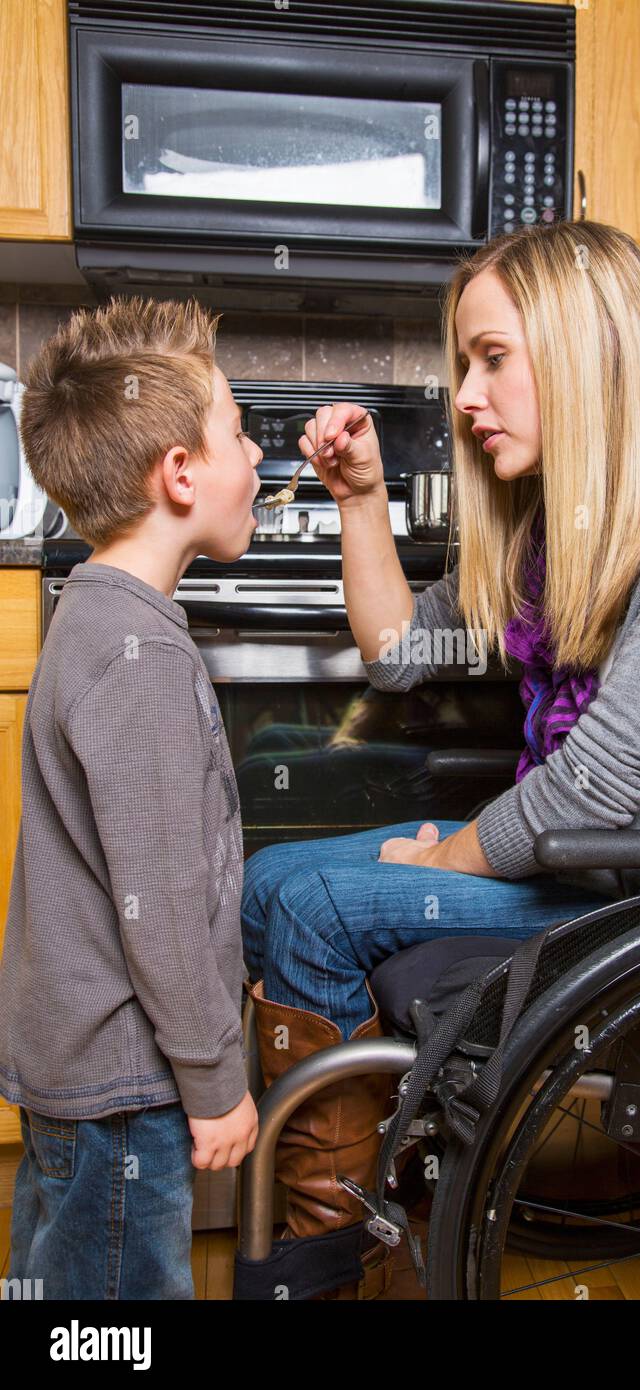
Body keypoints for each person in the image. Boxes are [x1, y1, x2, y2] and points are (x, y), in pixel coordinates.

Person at [240, 218, 640, 1298]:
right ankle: (357, 1188)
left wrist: (443, 861)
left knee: (316, 906)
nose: (465, 393)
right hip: (578, 864)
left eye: (491, 357)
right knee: (264, 880)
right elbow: (399, 658)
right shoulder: (563, 523)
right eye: (466, 362)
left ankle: (324, 1253)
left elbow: (599, 780)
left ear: (586, 348)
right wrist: (360, 499)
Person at [0, 297, 263, 1299]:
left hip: (76, 1066)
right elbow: (154, 895)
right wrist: (213, 1078)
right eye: (238, 431)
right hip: (126, 1084)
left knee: (59, 1281)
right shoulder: (139, 653)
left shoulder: (92, 612)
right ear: (182, 473)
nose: (257, 459)